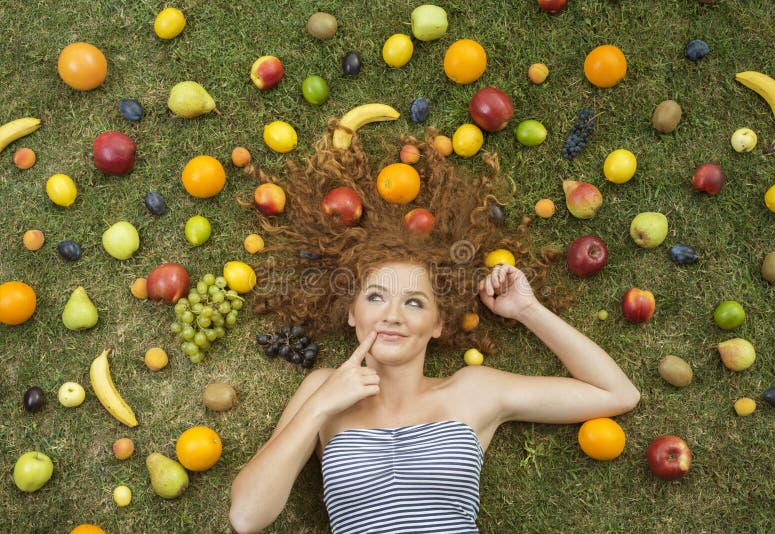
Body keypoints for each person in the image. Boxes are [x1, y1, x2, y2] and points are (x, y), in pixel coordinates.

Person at [229, 128, 640, 533]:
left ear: (438, 324)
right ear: (352, 314)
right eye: (375, 298)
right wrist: (319, 408)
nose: (392, 315)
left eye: (413, 302)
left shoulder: (472, 392)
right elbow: (246, 517)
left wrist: (528, 310)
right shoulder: (322, 391)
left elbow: (617, 393)